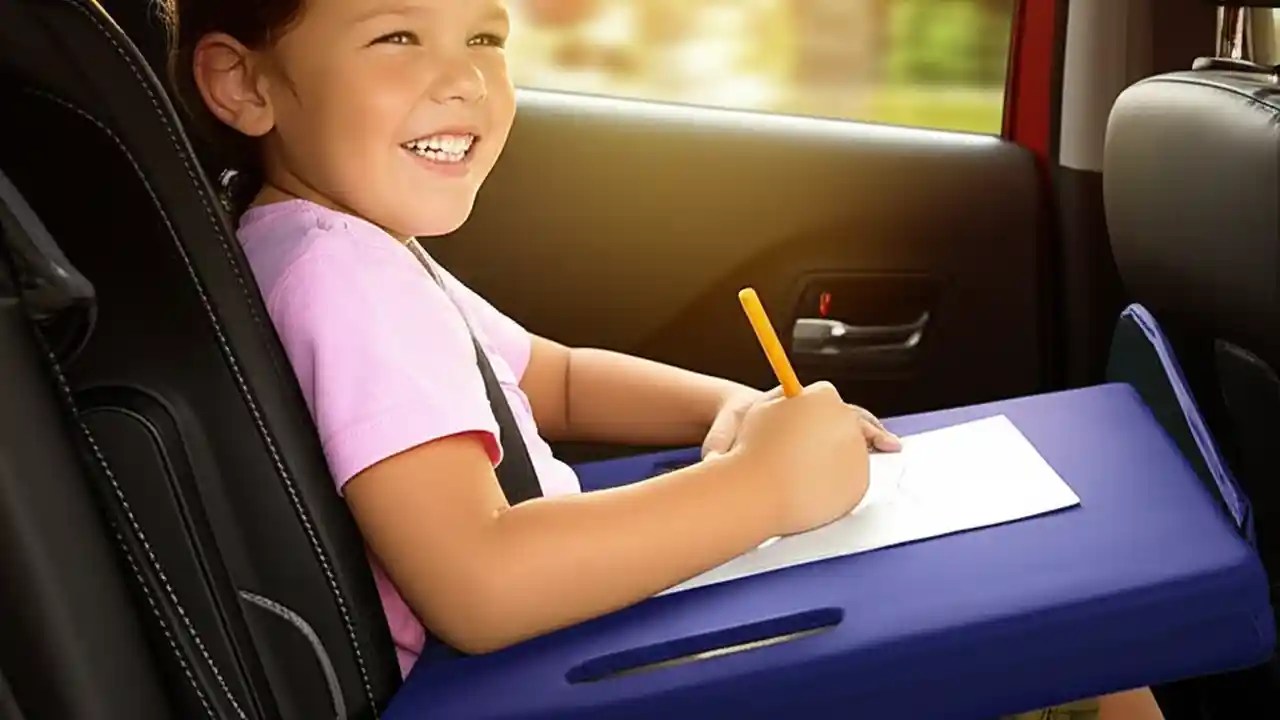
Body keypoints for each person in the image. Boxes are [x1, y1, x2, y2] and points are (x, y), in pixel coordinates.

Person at [161, 2, 1163, 717]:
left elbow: (545, 376)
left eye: (484, 35)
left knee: (1056, 622)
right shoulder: (340, 280)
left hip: (569, 640)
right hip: (535, 670)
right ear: (244, 83)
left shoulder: (340, 245)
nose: (462, 75)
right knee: (1084, 640)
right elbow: (478, 587)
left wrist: (729, 413)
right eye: (395, 36)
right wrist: (764, 489)